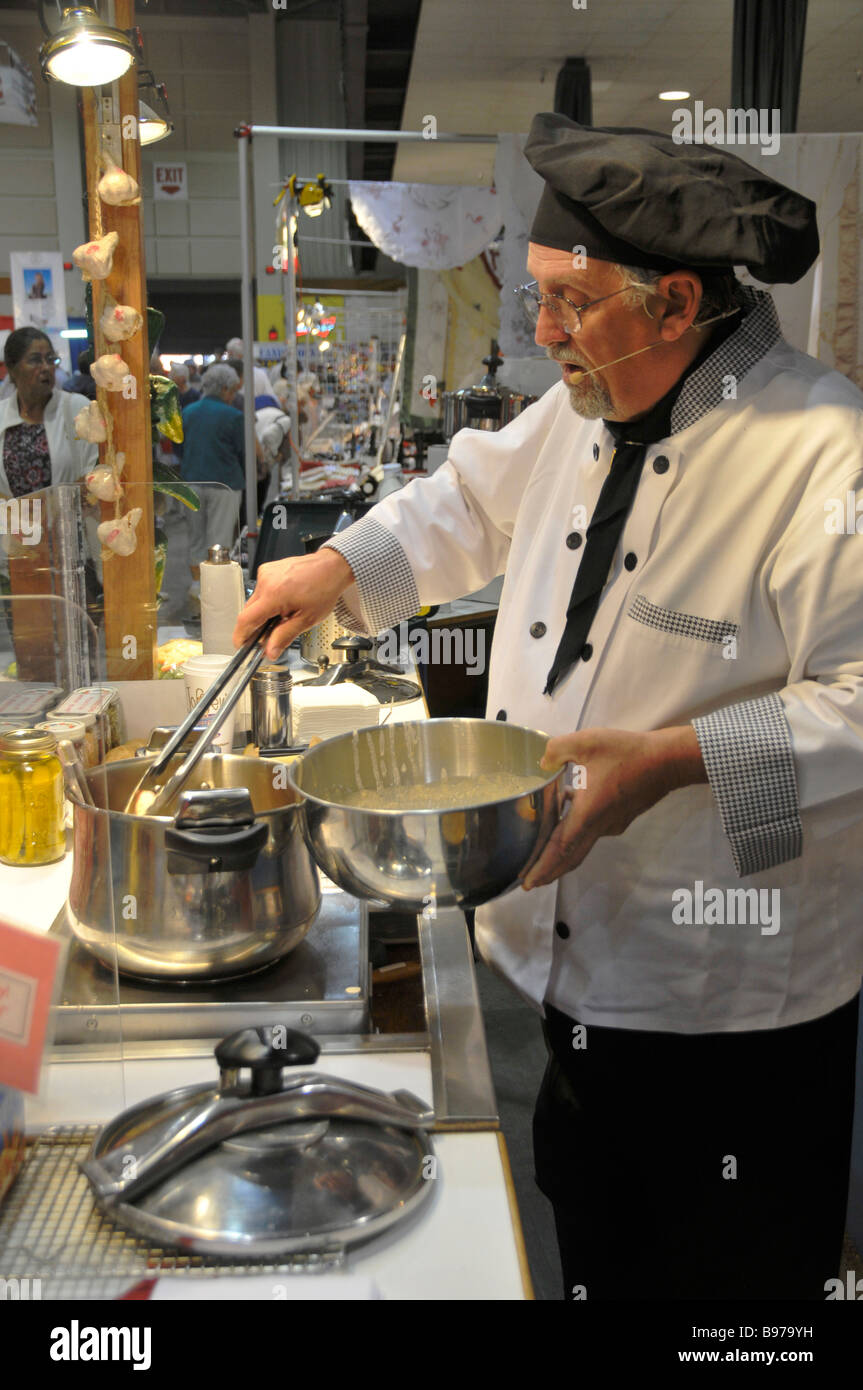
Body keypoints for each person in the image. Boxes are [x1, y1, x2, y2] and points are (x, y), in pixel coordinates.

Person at [234, 116, 863, 1302]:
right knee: (593, 1248)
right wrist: (332, 573)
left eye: (571, 303)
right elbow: (463, 504)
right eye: (538, 299)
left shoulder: (826, 452)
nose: (541, 335)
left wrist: (671, 761)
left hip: (728, 1001)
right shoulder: (580, 409)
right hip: (567, 975)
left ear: (675, 305)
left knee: (725, 1296)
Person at [0, 326, 96, 496]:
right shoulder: (2, 415)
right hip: (11, 522)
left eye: (51, 359)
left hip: (68, 520)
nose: (46, 367)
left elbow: (96, 472)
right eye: (35, 360)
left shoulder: (78, 409)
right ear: (12, 369)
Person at [180, 363, 247, 588]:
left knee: (196, 540)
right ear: (226, 389)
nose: (233, 395)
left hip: (191, 483)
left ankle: (196, 588)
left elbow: (179, 448)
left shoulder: (187, 412)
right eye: (233, 391)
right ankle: (216, 590)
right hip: (224, 484)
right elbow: (242, 451)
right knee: (219, 541)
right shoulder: (234, 416)